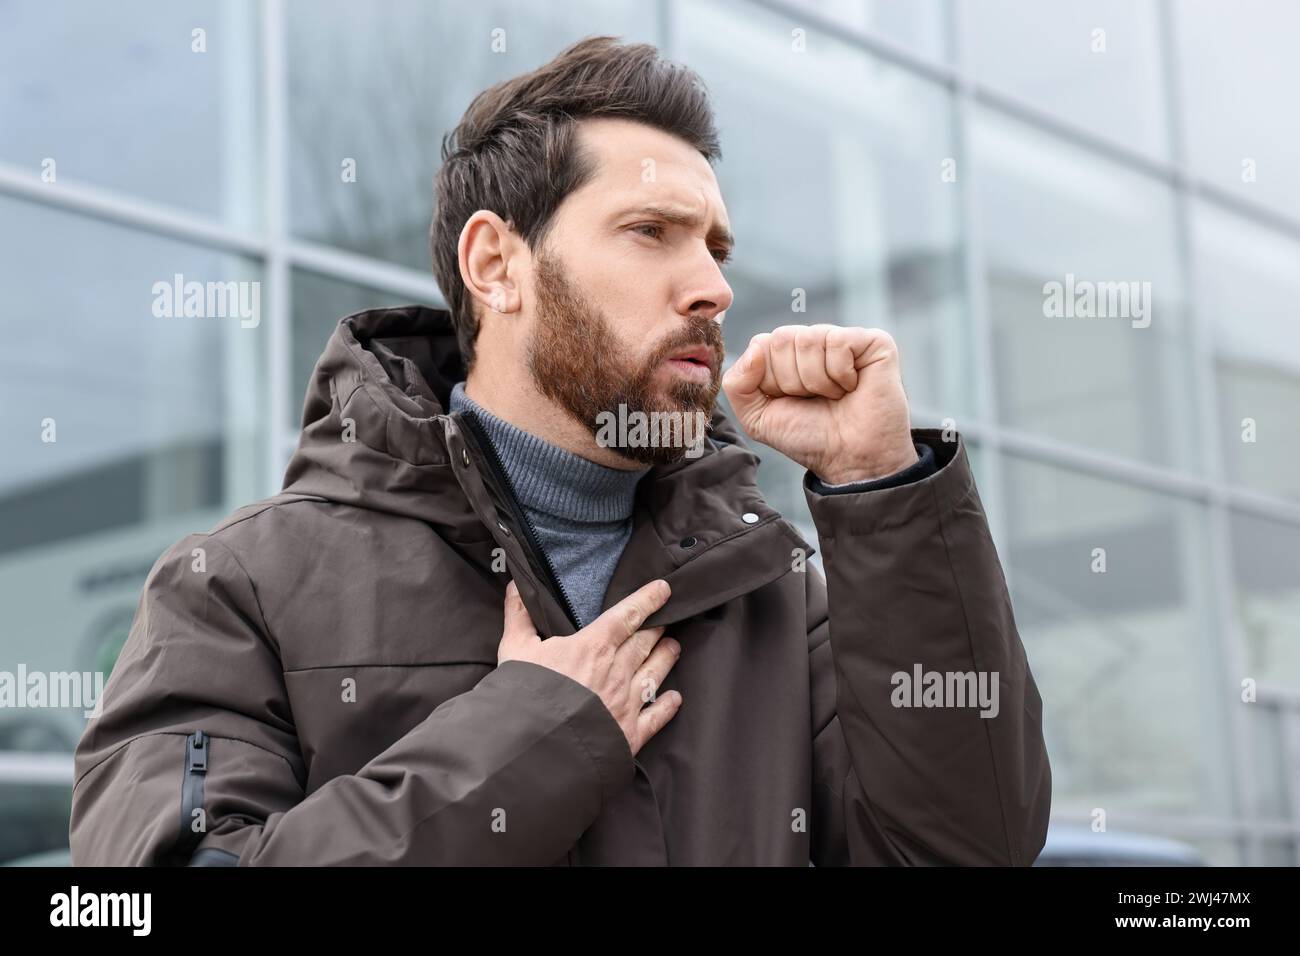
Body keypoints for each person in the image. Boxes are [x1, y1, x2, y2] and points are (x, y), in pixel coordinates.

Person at [70, 35, 1050, 866]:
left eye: (715, 249)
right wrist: (529, 735)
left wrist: (882, 485)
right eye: (651, 231)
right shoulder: (238, 587)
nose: (712, 287)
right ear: (497, 264)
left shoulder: (777, 595)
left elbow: (966, 849)